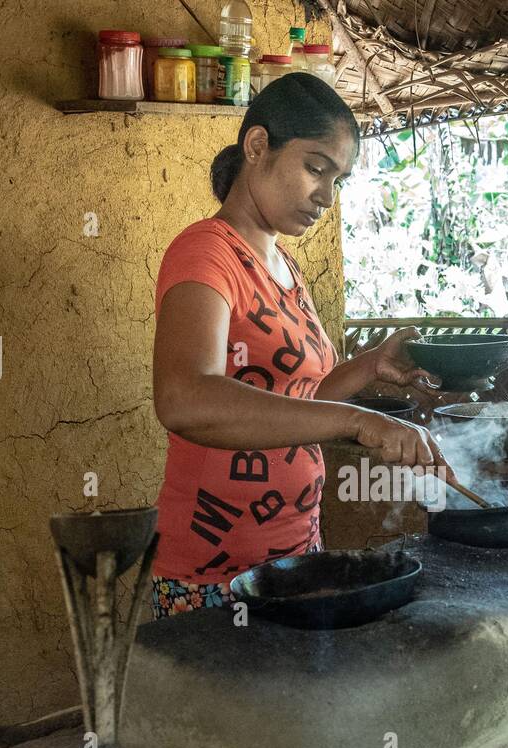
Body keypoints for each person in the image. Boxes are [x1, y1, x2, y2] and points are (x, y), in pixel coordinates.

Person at [149, 73, 456, 617]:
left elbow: (298, 401)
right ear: (258, 146)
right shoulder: (205, 253)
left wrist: (369, 367)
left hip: (295, 555)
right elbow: (183, 398)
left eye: (339, 179)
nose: (326, 197)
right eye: (316, 168)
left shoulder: (283, 264)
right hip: (216, 574)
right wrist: (359, 422)